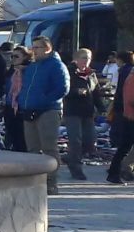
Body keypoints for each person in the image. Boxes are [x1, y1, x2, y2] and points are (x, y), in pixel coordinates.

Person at [18, 37, 68, 193]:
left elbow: (62, 88)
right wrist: (22, 102)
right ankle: (35, 182)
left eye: (37, 47)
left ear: (47, 49)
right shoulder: (32, 67)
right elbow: (26, 87)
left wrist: (43, 101)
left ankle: (51, 182)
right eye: (32, 47)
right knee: (32, 149)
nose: (33, 51)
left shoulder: (56, 65)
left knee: (49, 148)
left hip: (48, 110)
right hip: (29, 110)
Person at [64, 47, 100, 182]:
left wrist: (101, 107)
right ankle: (76, 168)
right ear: (76, 59)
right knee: (75, 140)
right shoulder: (69, 72)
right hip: (72, 111)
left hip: (88, 112)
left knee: (90, 140)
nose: (86, 61)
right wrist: (76, 92)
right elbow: (64, 89)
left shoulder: (91, 74)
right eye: (84, 58)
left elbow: (96, 92)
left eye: (89, 58)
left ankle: (70, 157)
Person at [109, 52, 134, 184]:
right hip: (130, 116)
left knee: (124, 146)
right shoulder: (131, 76)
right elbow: (130, 99)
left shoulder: (129, 74)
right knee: (125, 147)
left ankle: (114, 172)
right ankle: (115, 172)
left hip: (127, 114)